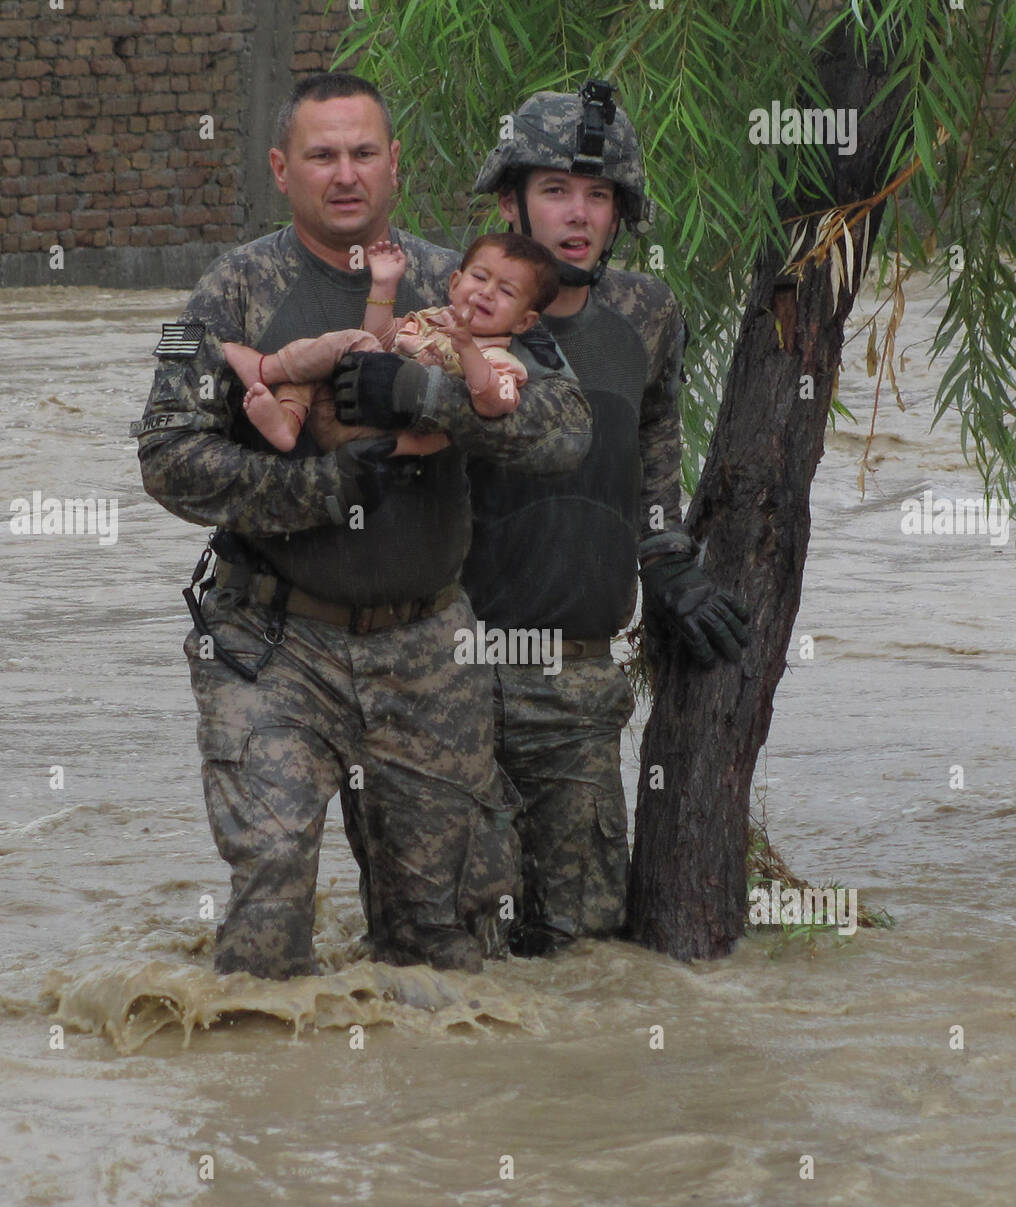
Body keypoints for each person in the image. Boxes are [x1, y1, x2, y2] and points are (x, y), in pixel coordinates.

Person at [131, 72, 591, 980]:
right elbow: (165, 456)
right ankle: (264, 1100)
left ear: (395, 168)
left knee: (437, 933)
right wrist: (324, 482)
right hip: (272, 640)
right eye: (322, 155)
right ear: (281, 168)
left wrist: (428, 395)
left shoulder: (466, 283)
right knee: (270, 899)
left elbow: (566, 432)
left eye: (364, 153)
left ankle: (403, 1114)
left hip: (425, 646)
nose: (345, 174)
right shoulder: (225, 290)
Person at [334, 80, 750, 956]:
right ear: (509, 202)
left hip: (577, 682)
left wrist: (666, 554)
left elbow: (656, 447)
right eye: (556, 191)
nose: (579, 215)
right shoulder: (450, 315)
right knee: (443, 943)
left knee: (581, 952)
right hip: (448, 669)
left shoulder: (646, 313)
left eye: (599, 196)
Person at [220, 230, 559, 452]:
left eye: (506, 291)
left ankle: (265, 367)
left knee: (354, 341)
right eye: (480, 277)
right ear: (455, 283)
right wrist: (384, 285)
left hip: (386, 443)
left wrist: (468, 349)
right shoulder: (428, 321)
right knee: (312, 371)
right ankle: (286, 423)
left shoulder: (504, 361)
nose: (486, 293)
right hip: (336, 415)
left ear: (524, 320)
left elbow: (493, 403)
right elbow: (381, 340)